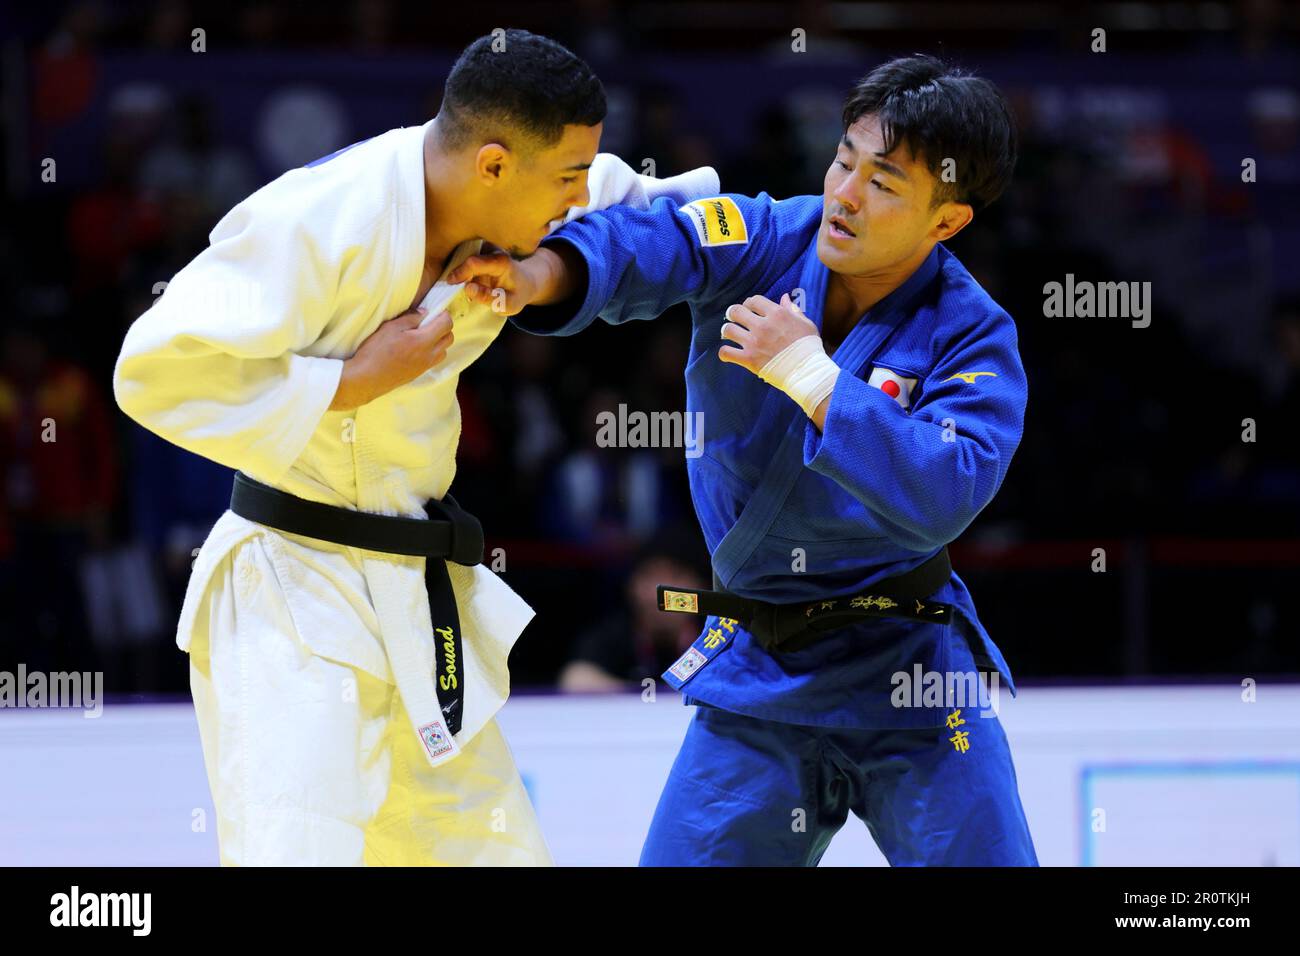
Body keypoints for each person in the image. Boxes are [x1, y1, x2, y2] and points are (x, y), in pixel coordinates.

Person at [113, 29, 717, 866]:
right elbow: (151, 373)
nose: (576, 198)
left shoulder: (531, 193)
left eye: (584, 173)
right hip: (294, 586)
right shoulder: (317, 220)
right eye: (567, 178)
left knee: (495, 855)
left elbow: (675, 206)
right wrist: (345, 382)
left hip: (414, 590)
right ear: (495, 164)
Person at [452, 55, 1038, 866]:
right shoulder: (765, 238)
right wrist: (538, 275)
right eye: (845, 161)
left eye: (885, 184)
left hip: (910, 676)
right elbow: (655, 242)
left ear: (947, 220)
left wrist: (814, 378)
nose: (846, 195)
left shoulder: (972, 333)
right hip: (761, 673)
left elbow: (949, 487)